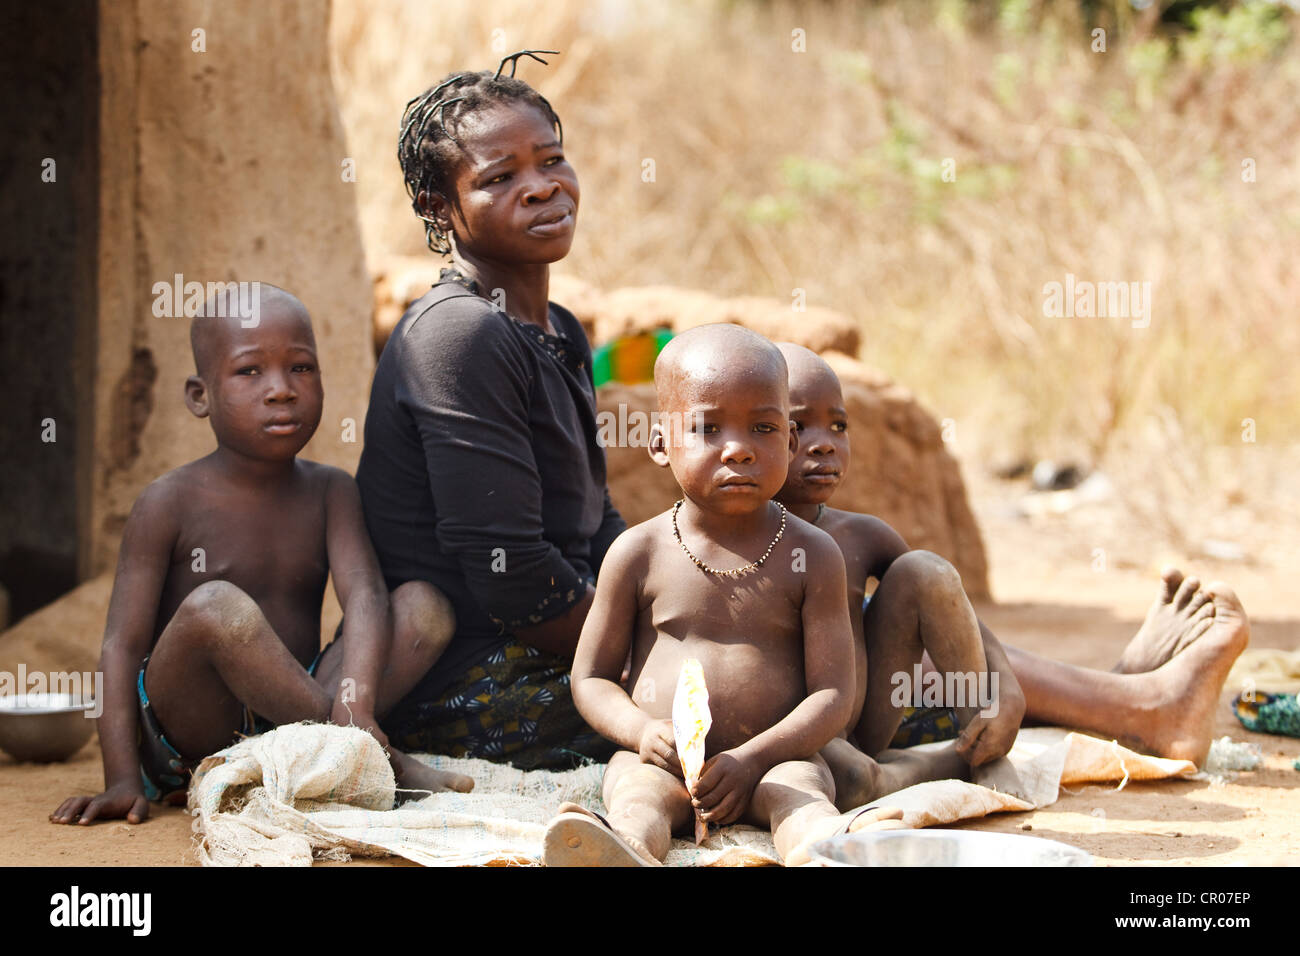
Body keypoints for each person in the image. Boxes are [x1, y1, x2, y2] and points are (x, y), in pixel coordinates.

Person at [50, 287, 470, 827]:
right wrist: (123, 778)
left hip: (296, 708)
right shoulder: (167, 501)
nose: (281, 391)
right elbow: (121, 645)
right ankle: (371, 758)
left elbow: (364, 597)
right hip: (191, 730)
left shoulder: (331, 491)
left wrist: (356, 701)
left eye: (301, 367)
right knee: (217, 607)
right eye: (250, 372)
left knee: (423, 606)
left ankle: (338, 744)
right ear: (200, 396)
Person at [772, 343, 1252, 809]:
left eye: (839, 426)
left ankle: (1007, 739)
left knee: (926, 570)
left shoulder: (860, 535)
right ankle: (967, 757)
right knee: (850, 777)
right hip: (811, 746)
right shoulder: (726, 543)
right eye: (797, 426)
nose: (823, 444)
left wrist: (1001, 689)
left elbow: (948, 611)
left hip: (868, 721)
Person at [543, 325, 907, 867]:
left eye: (762, 427)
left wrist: (753, 757)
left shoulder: (813, 554)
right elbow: (591, 678)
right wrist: (642, 732)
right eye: (707, 427)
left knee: (803, 802)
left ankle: (822, 854)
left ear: (787, 442)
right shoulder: (637, 552)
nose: (737, 449)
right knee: (636, 797)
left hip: (776, 760)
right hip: (660, 764)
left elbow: (832, 695)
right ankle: (625, 851)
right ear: (661, 443)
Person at [357, 53, 625, 769]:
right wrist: (639, 650)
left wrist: (675, 601)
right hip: (467, 683)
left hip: (564, 640)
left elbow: (595, 518)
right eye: (500, 178)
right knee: (754, 695)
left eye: (552, 160)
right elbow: (513, 578)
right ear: (439, 210)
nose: (541, 189)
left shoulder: (560, 328)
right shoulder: (460, 335)